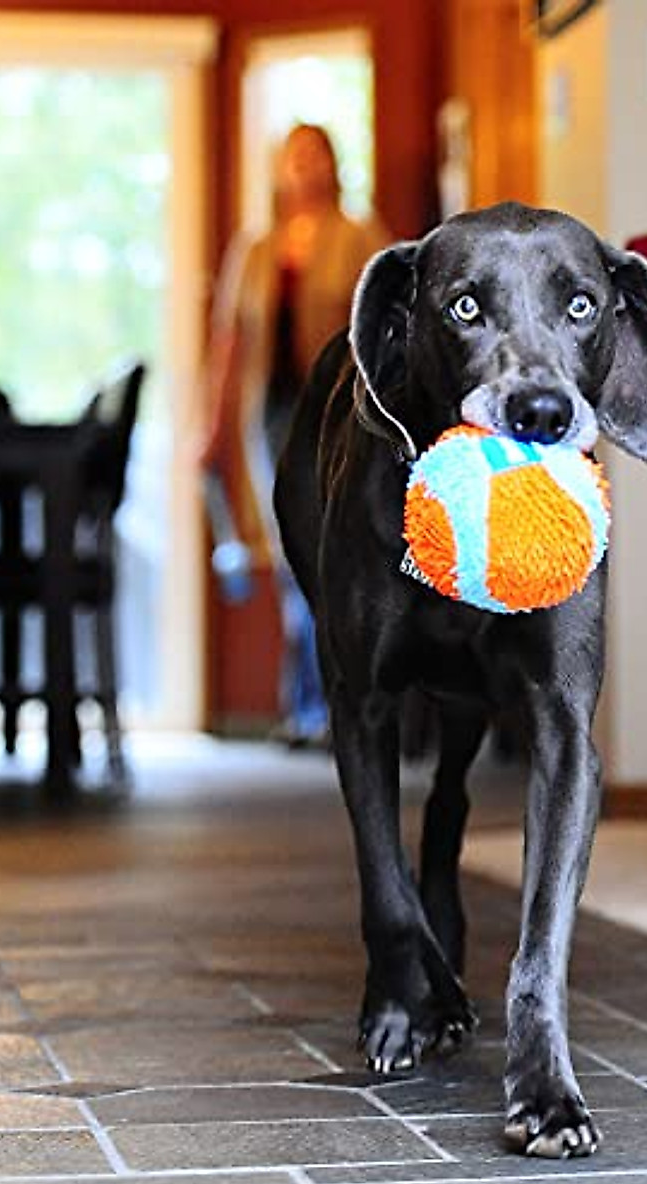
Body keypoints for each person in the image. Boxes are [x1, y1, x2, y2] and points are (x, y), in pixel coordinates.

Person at [200, 123, 389, 747]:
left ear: (334, 165)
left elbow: (391, 327)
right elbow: (228, 344)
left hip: (339, 414)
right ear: (278, 167)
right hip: (271, 418)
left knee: (341, 554)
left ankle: (346, 707)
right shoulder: (255, 250)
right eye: (294, 155)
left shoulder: (362, 238)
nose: (305, 166)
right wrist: (209, 427)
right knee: (290, 556)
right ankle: (304, 705)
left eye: (317, 154)